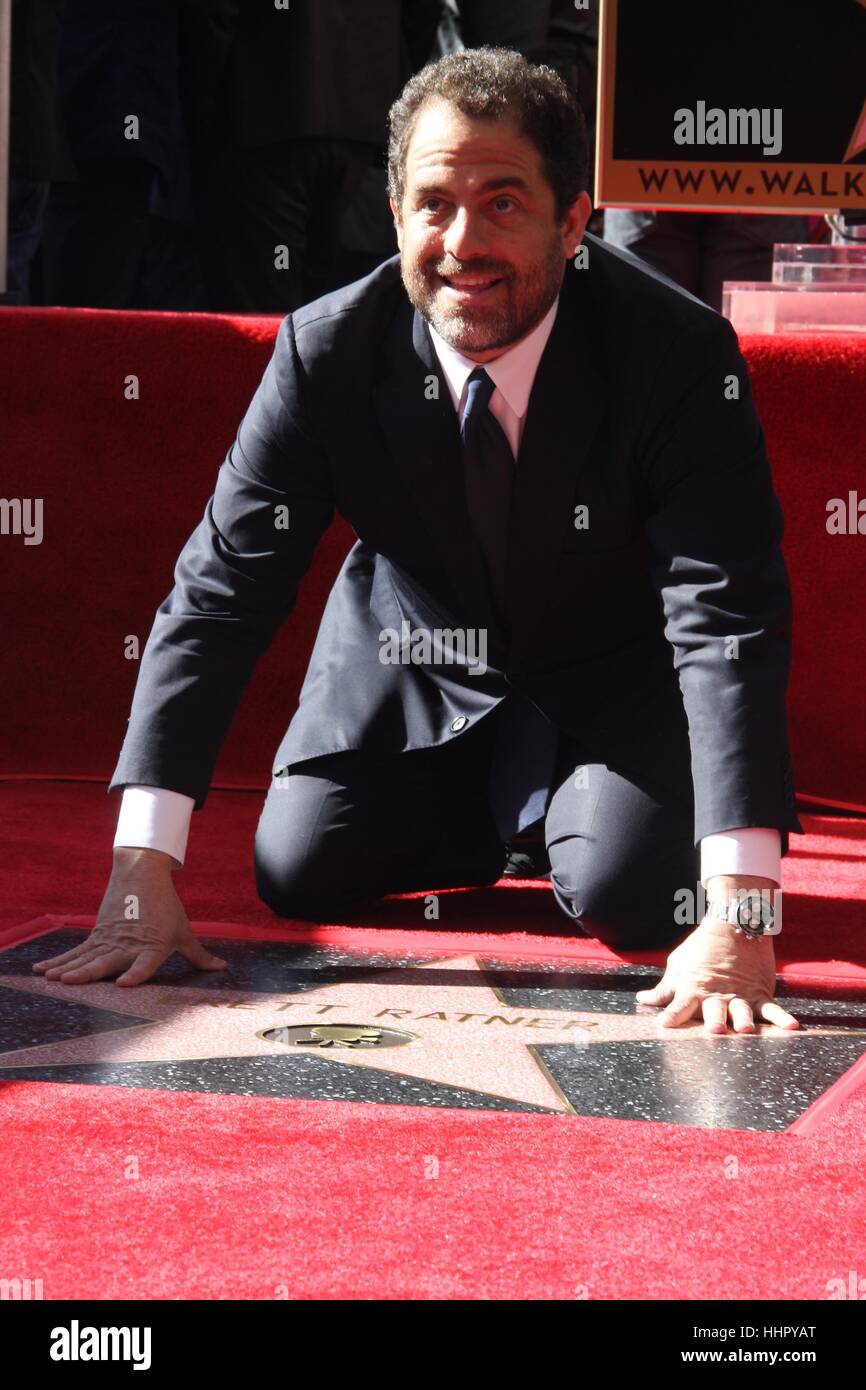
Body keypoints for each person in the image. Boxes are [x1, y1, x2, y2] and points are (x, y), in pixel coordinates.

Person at [34, 48, 804, 1036]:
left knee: (632, 890)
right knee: (301, 869)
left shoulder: (679, 355)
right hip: (415, 659)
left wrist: (741, 905)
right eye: (432, 203)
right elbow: (219, 592)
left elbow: (725, 610)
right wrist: (142, 863)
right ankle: (511, 818)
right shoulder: (326, 352)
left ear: (575, 222)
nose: (461, 242)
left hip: (611, 681)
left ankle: (572, 813)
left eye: (502, 204)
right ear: (394, 213)